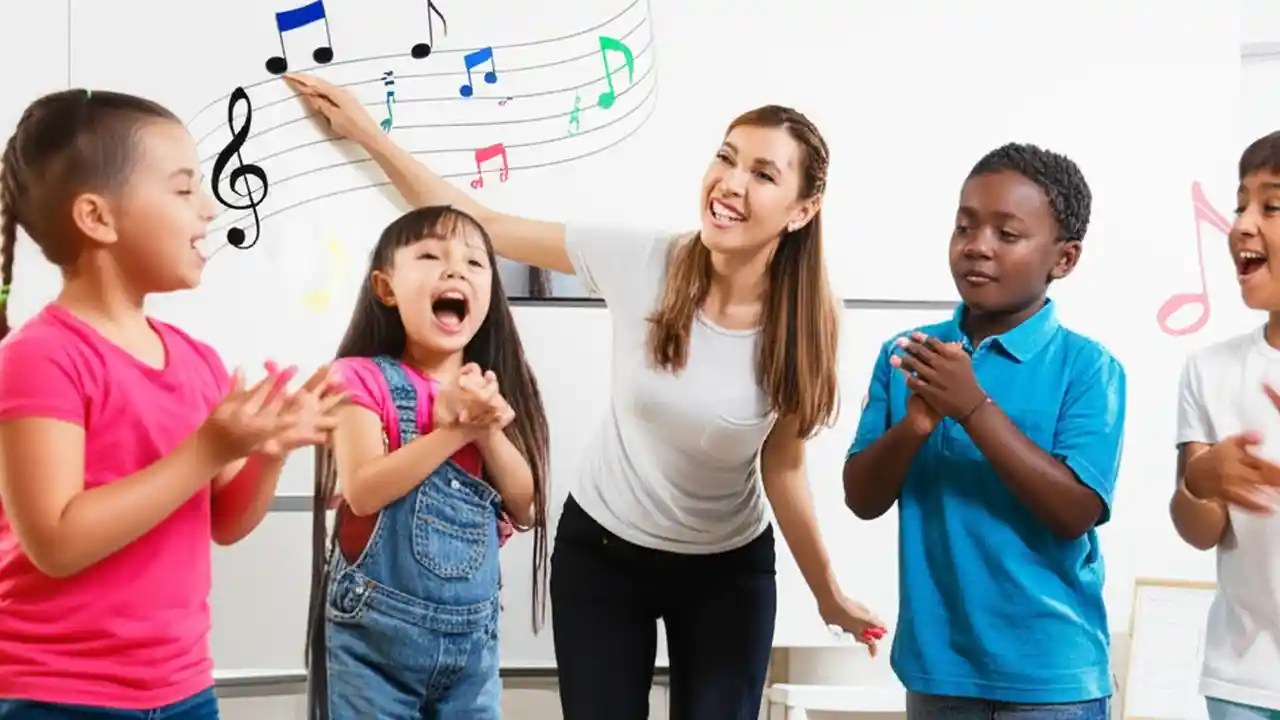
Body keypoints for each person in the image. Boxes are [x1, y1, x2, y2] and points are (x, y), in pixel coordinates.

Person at [284, 71, 884, 719]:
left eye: (764, 174)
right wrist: (367, 133)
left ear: (802, 209)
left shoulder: (808, 322)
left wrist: (828, 591)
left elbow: (784, 465)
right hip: (604, 554)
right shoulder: (643, 261)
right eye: (726, 157)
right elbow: (482, 222)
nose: (731, 184)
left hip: (726, 571)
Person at [0, 89, 343, 719]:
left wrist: (265, 453)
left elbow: (224, 522)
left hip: (182, 688)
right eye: (183, 190)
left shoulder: (198, 360)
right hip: (58, 693)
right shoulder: (39, 356)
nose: (209, 210)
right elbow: (54, 541)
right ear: (97, 218)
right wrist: (207, 449)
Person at [843, 142, 1124, 719]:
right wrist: (917, 424)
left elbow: (1074, 512)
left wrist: (972, 407)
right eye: (964, 226)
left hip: (1052, 678)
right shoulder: (908, 354)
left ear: (1064, 259)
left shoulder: (1088, 368)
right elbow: (862, 498)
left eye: (1008, 234)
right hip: (938, 669)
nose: (977, 246)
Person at [305, 205, 549, 719]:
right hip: (371, 652)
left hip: (472, 660)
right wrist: (454, 430)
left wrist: (485, 430)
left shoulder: (489, 390)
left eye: (474, 262)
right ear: (386, 287)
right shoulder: (359, 377)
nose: (455, 269)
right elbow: (364, 488)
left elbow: (525, 506)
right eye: (431, 255)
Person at [1170, 129, 1280, 720]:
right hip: (1245, 680)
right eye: (1241, 204)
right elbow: (1199, 529)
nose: (1241, 224)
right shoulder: (1209, 370)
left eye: (1273, 205)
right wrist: (1202, 483)